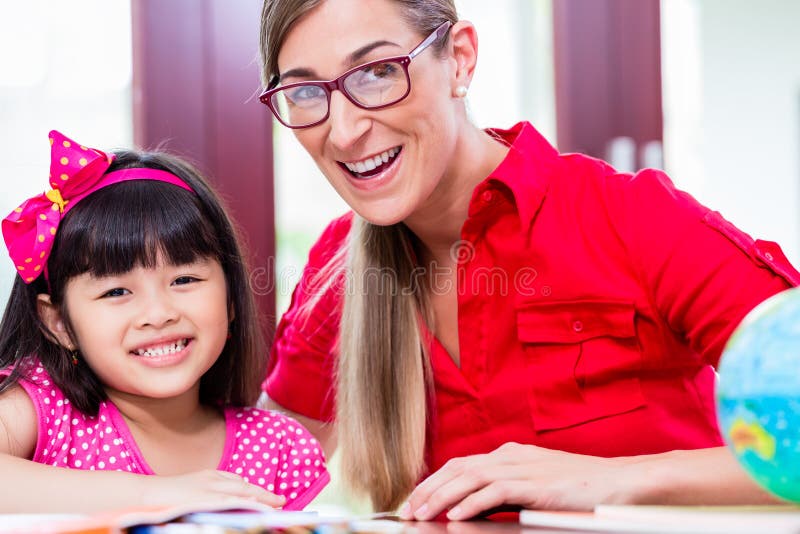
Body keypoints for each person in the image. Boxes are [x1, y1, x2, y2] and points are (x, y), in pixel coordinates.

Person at [257, 0, 800, 521]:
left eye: (377, 72)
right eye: (305, 91)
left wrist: (612, 480)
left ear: (460, 59)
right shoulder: (337, 271)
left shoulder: (635, 219)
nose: (346, 131)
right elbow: (255, 480)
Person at [0, 131, 329, 513]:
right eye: (117, 292)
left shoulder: (275, 447)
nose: (159, 314)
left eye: (184, 280)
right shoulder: (43, 411)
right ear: (59, 323)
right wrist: (155, 495)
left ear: (231, 297)